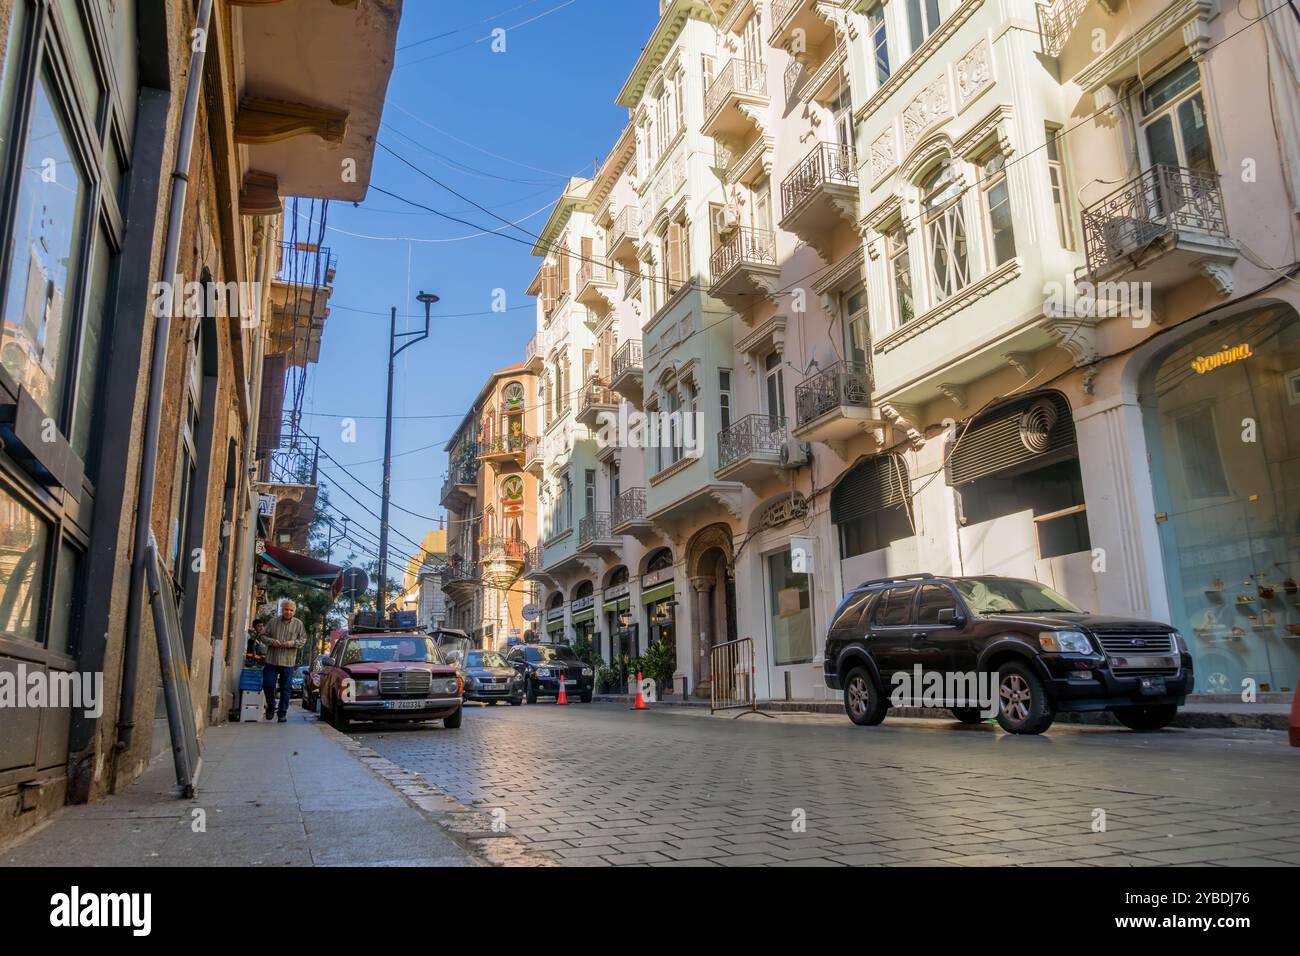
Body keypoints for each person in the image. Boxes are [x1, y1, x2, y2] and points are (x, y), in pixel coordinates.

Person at [258, 600, 306, 722]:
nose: (288, 612)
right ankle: (271, 705)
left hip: (288, 662)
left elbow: (303, 640)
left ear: (294, 611)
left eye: (291, 610)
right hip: (272, 660)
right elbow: (262, 636)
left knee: (286, 688)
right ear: (282, 609)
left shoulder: (298, 624)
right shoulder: (273, 622)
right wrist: (272, 641)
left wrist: (291, 643)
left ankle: (282, 713)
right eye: (286, 609)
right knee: (268, 684)